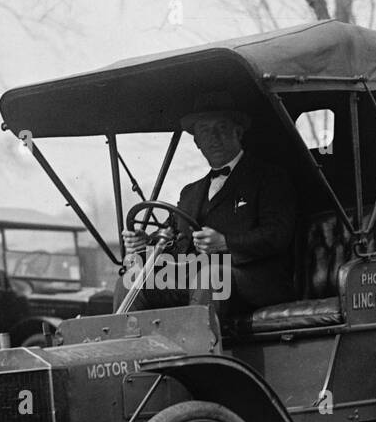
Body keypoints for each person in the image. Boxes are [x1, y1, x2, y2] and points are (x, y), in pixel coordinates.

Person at [119, 109, 297, 318]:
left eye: (221, 128)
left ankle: (198, 349)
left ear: (238, 132)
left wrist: (226, 242)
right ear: (197, 142)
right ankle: (123, 346)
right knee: (132, 277)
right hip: (196, 276)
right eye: (204, 130)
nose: (214, 137)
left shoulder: (269, 177)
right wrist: (146, 243)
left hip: (255, 280)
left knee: (211, 276)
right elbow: (174, 241)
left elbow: (277, 235)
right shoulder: (190, 193)